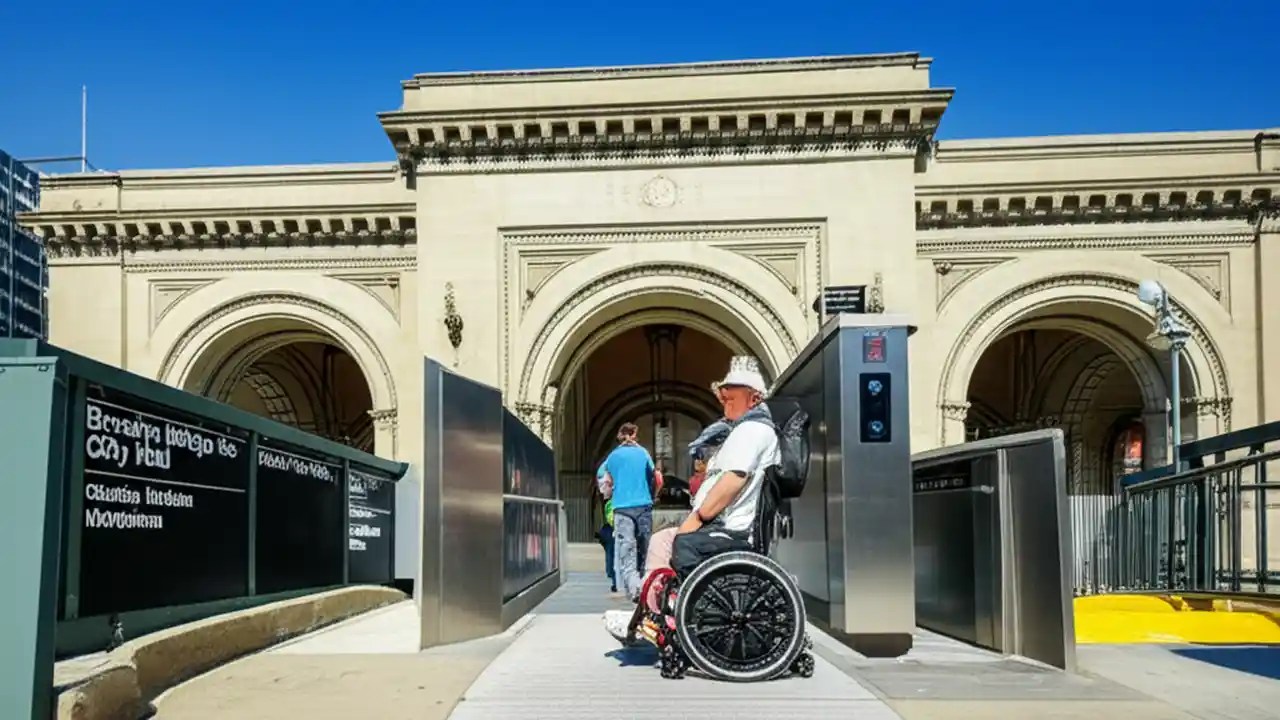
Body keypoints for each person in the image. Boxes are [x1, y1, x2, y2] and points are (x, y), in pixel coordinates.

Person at [603, 356, 780, 643]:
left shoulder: (752, 431)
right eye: (723, 398)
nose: (725, 403)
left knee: (673, 542)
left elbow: (733, 479)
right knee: (662, 541)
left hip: (731, 530)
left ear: (754, 397)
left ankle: (660, 618)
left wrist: (696, 519)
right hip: (726, 526)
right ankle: (648, 615)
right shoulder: (747, 430)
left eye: (731, 397)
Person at [602, 422, 657, 602]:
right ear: (634, 434)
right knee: (644, 547)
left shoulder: (612, 457)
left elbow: (605, 482)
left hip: (622, 508)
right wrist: (653, 495)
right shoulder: (643, 453)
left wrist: (611, 495)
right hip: (643, 505)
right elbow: (657, 477)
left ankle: (634, 590)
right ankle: (644, 584)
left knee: (627, 549)